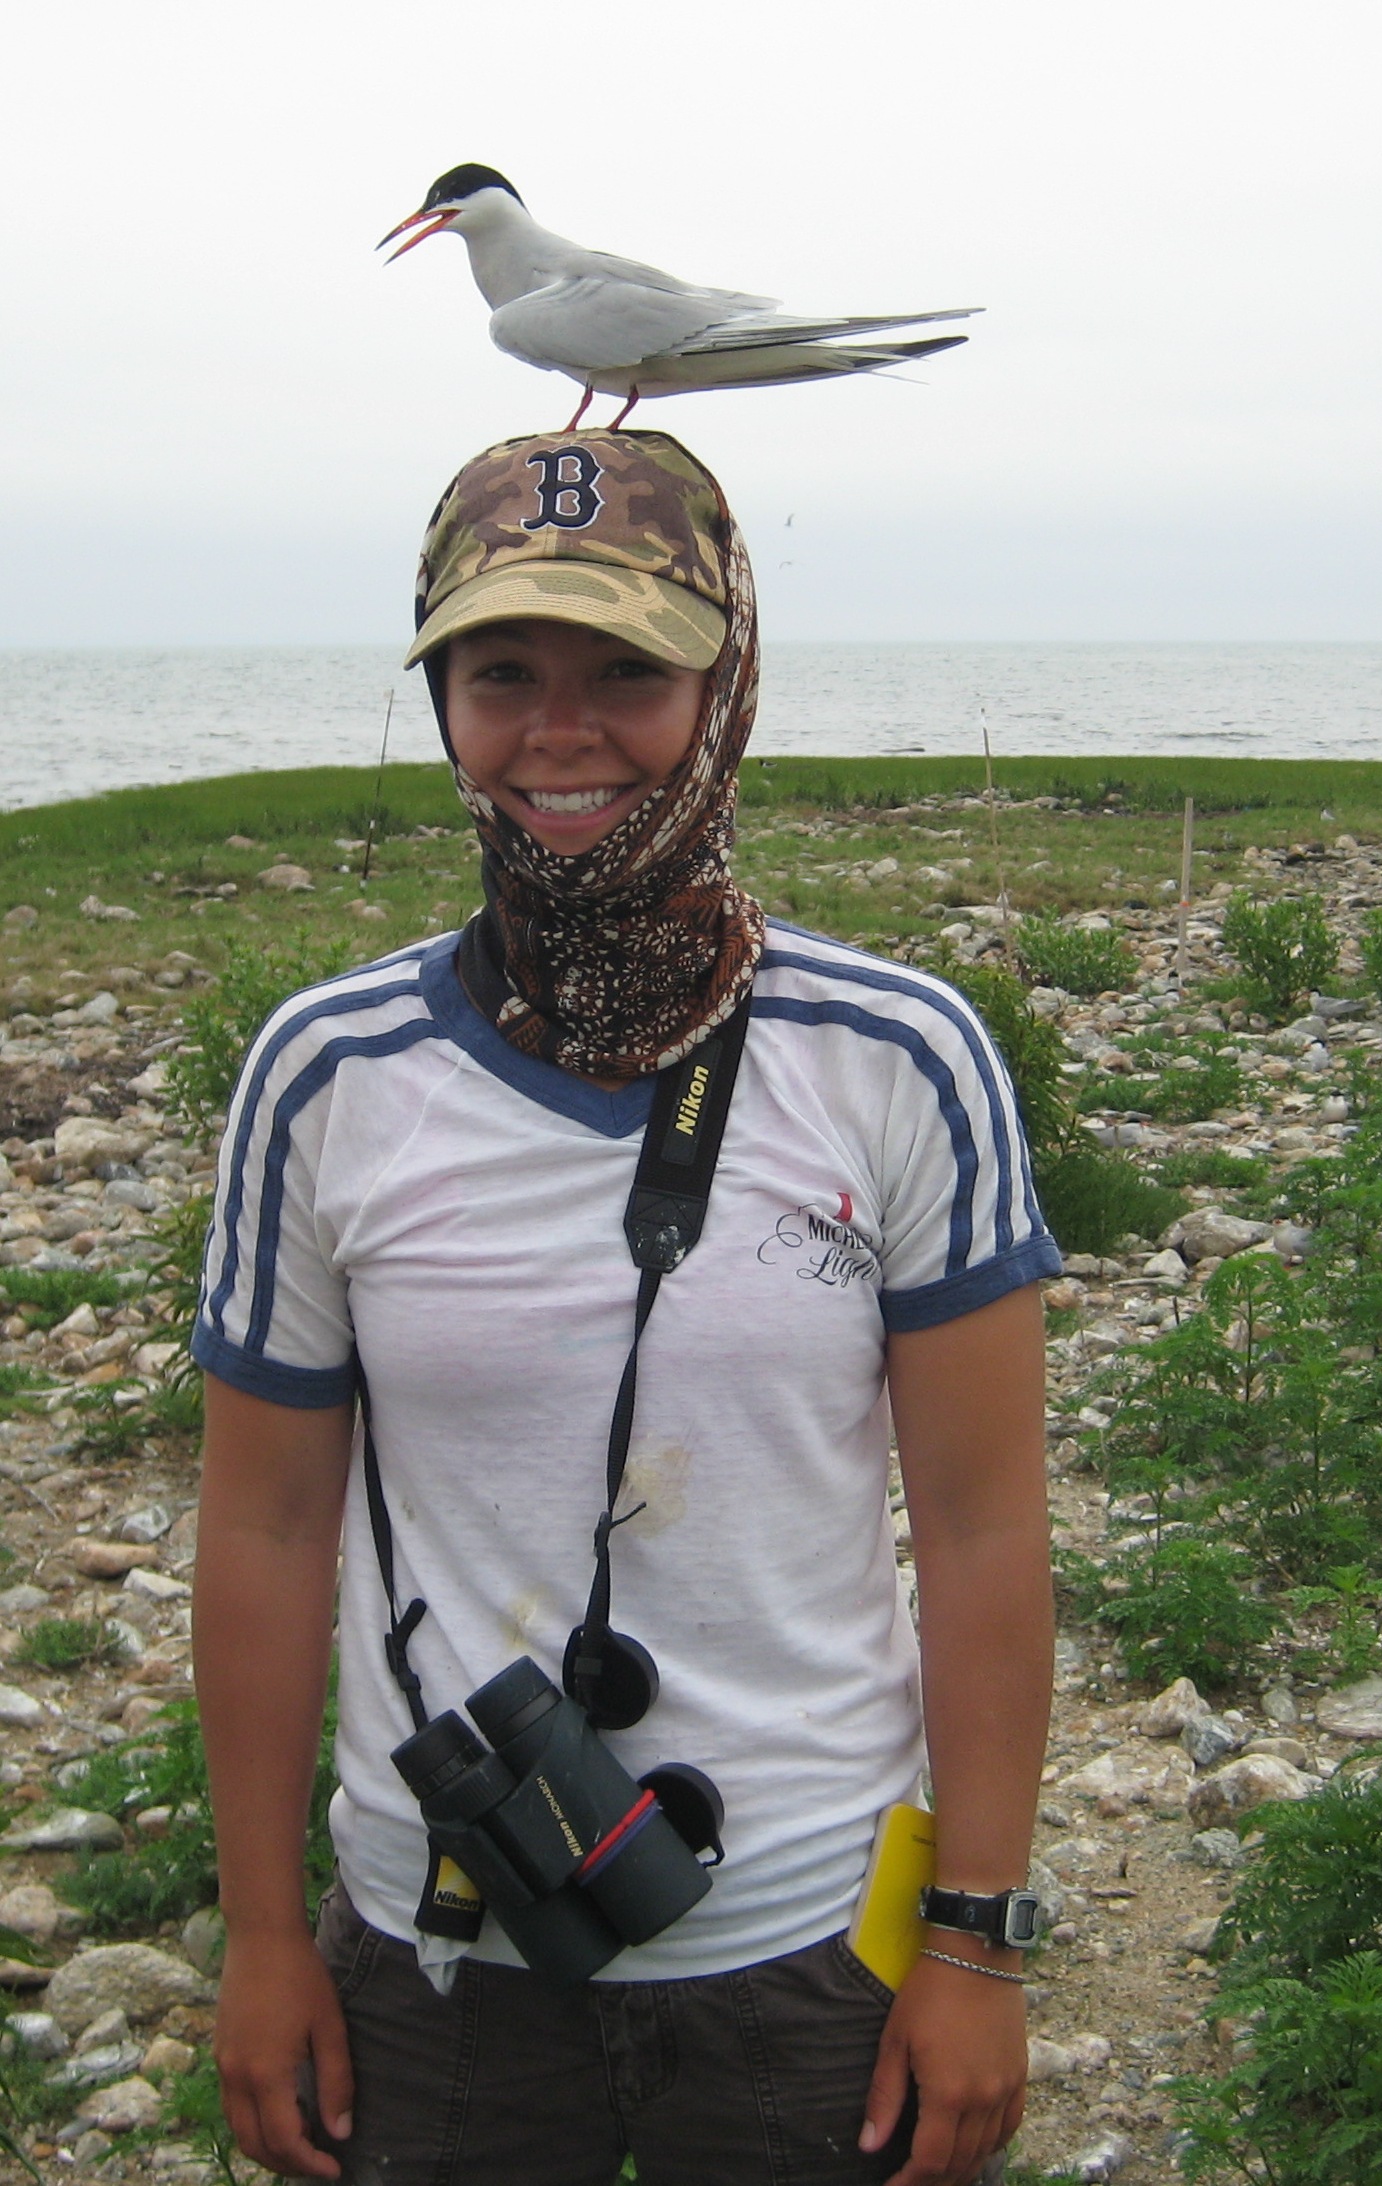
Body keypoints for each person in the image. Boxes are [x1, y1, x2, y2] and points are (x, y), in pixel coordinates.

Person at [192, 430, 1060, 2186]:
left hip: (811, 1940)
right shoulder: (323, 1073)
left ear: (723, 684)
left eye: (627, 672)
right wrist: (266, 1934)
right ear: (440, 692)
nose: (556, 731)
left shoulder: (899, 1056)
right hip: (434, 1937)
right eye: (500, 671)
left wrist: (970, 1942)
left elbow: (980, 1528)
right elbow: (266, 1526)